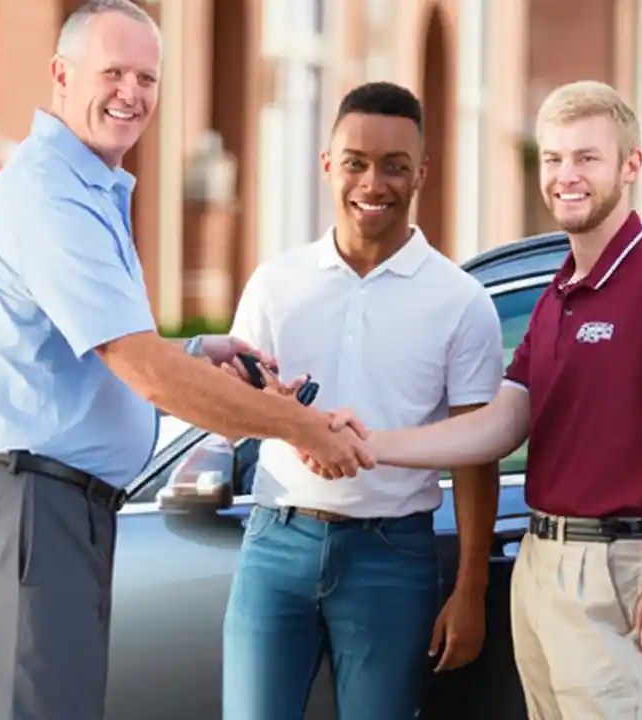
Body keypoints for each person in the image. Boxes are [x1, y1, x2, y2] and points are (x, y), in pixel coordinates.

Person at [0, 2, 374, 719]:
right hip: (31, 513)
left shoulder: (86, 186)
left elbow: (99, 350)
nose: (131, 93)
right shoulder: (52, 196)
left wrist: (199, 354)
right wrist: (300, 428)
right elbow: (140, 368)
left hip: (51, 513)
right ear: (60, 73)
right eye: (112, 73)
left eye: (147, 77)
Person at [349, 80, 642, 719]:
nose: (566, 176)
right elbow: (501, 422)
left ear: (630, 165)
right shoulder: (559, 292)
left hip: (617, 570)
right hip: (540, 564)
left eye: (587, 157)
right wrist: (371, 445)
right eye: (553, 159)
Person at [220, 81, 505, 720]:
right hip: (276, 543)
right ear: (328, 166)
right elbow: (234, 407)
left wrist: (470, 588)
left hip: (393, 555)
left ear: (420, 174)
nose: (372, 183)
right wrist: (291, 424)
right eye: (355, 162)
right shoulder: (275, 283)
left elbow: (476, 454)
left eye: (394, 167)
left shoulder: (460, 302)